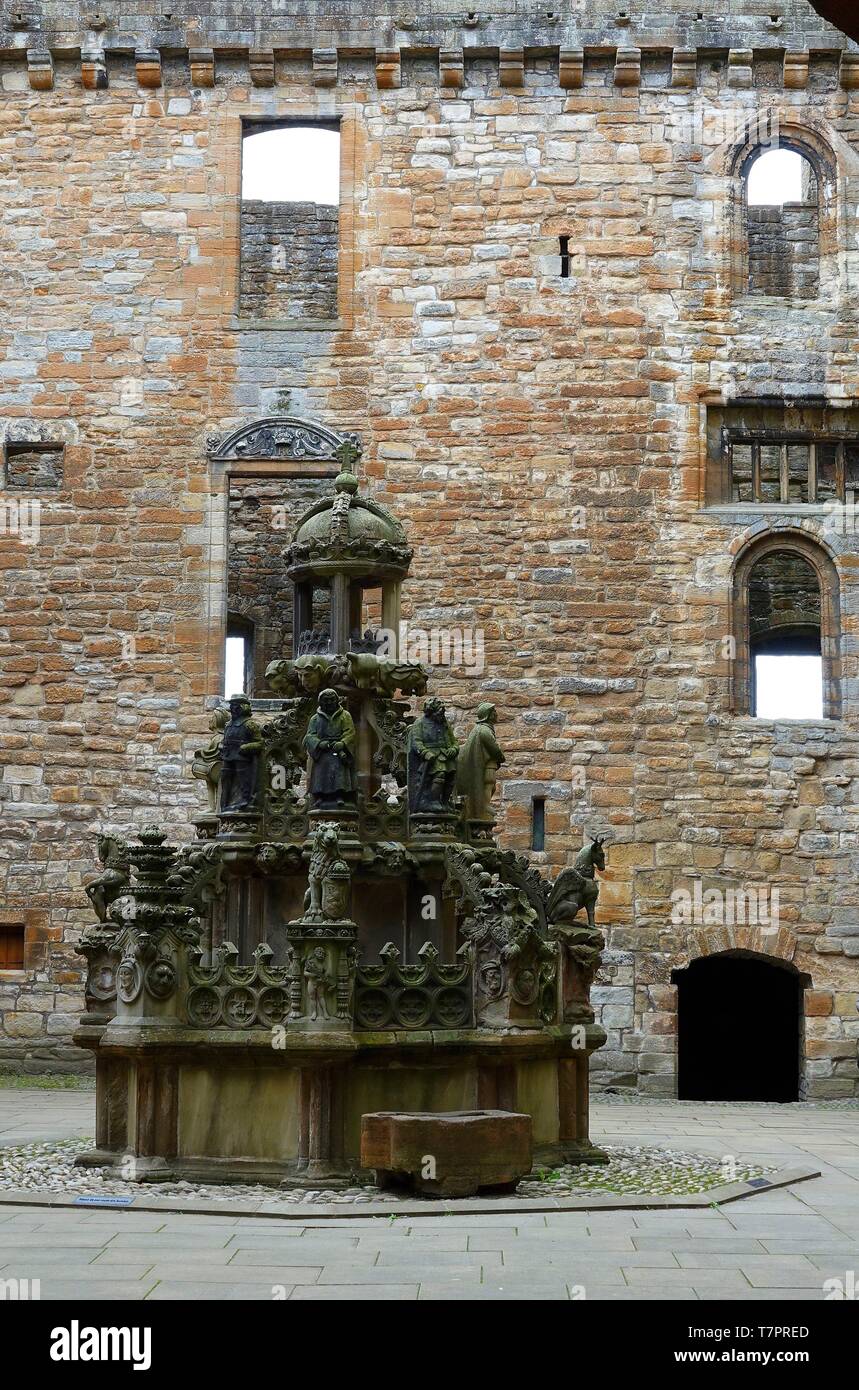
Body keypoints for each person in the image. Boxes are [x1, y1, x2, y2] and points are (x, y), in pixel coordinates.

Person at [303, 688, 356, 808]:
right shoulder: (315, 719)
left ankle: (339, 795)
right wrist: (319, 743)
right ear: (321, 702)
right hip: (323, 752)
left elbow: (350, 732)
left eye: (332, 700)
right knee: (321, 773)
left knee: (339, 772)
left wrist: (343, 743)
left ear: (337, 701)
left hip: (338, 750)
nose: (329, 703)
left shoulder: (345, 716)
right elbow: (310, 735)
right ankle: (320, 796)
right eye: (326, 700)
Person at [407, 697, 459, 812]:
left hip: (445, 756)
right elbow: (416, 741)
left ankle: (444, 802)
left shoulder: (443, 723)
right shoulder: (420, 723)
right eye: (438, 713)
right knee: (439, 775)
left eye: (442, 713)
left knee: (451, 778)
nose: (441, 715)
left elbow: (454, 741)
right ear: (431, 712)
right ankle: (431, 801)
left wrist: (454, 749)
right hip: (431, 756)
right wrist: (425, 753)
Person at [456, 702, 505, 821]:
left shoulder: (482, 729)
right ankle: (484, 806)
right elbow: (494, 748)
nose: (496, 714)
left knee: (491, 786)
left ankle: (485, 805)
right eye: (493, 712)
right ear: (487, 715)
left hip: (488, 762)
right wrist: (501, 757)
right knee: (489, 784)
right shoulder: (484, 730)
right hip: (487, 764)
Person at [218, 694, 263, 811]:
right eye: (232, 705)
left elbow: (260, 743)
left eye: (236, 705)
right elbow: (225, 740)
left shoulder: (250, 724)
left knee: (244, 780)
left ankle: (245, 801)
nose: (233, 708)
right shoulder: (228, 725)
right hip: (228, 756)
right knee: (225, 779)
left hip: (241, 757)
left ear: (243, 707)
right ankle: (225, 803)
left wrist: (246, 747)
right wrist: (221, 746)